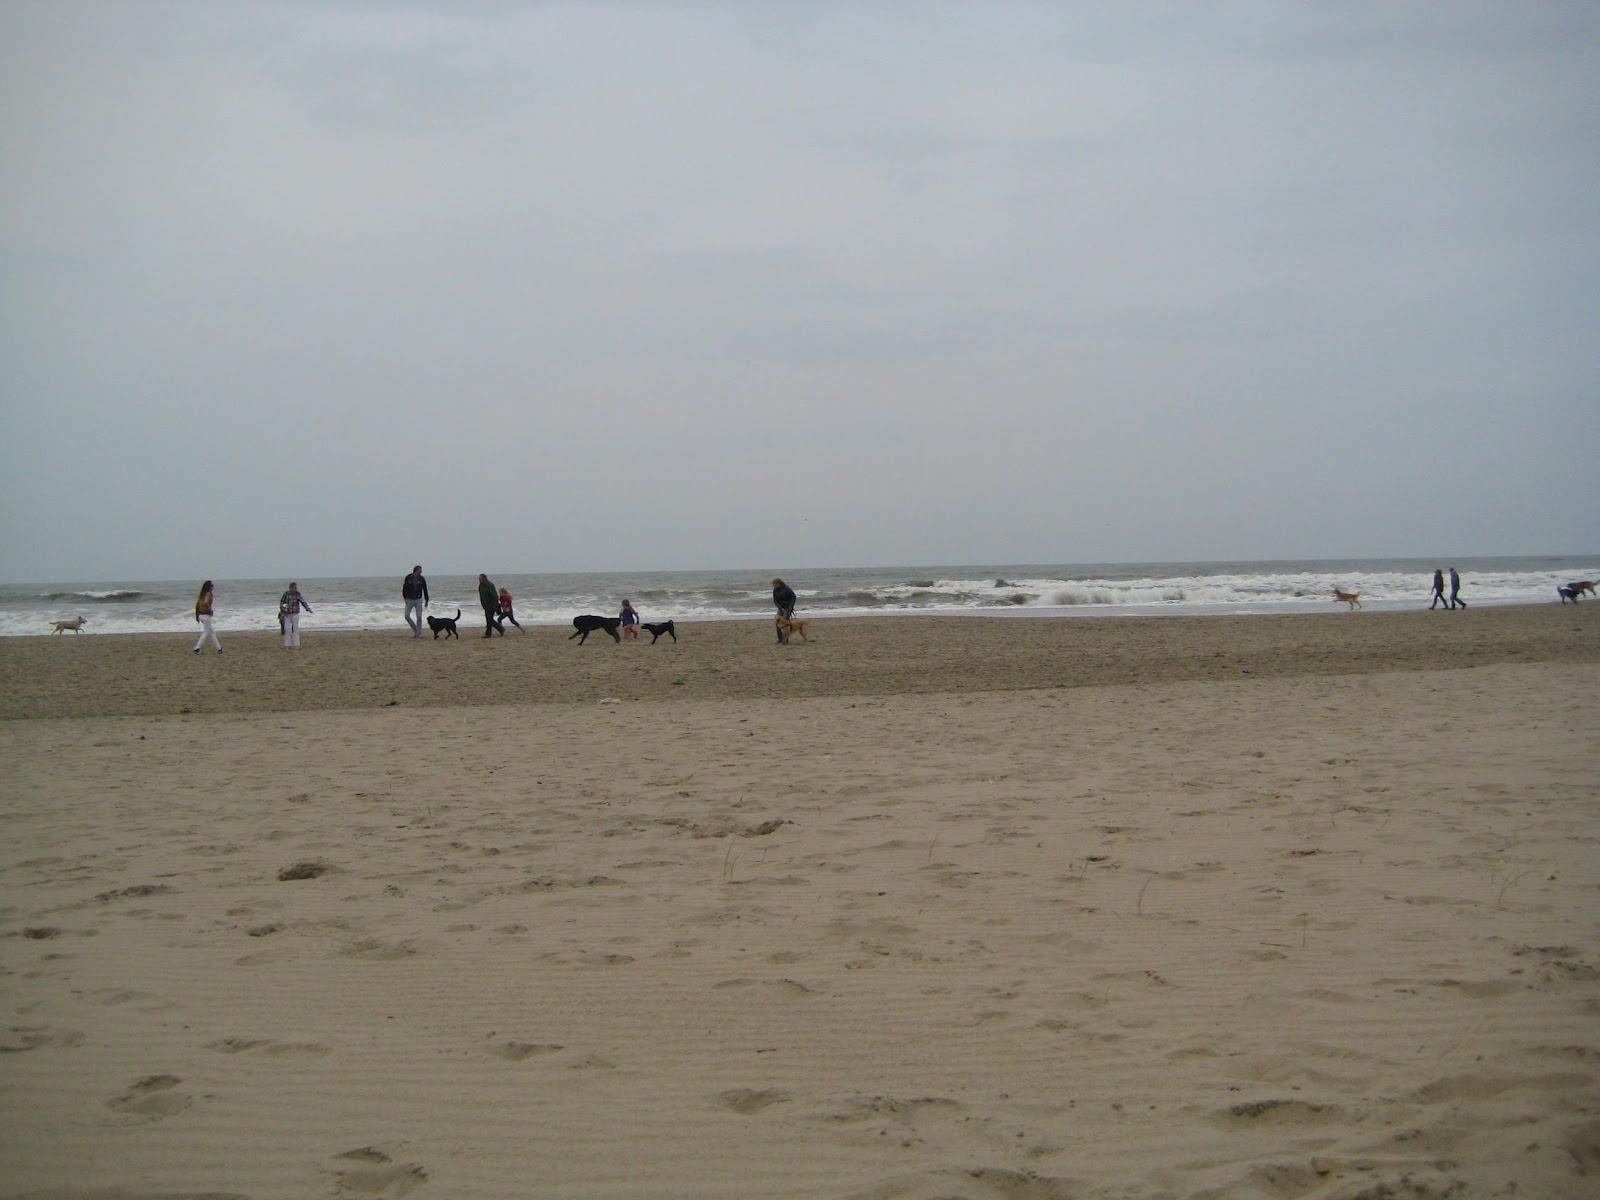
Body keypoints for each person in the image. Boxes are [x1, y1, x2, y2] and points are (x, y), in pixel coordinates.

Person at [279, 582, 312, 648]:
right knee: (287, 629)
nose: (296, 589)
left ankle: (296, 644)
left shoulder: (298, 594)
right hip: (287, 614)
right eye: (295, 588)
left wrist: (307, 608)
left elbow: (303, 601)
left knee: (295, 629)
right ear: (291, 588)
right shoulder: (286, 594)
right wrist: (283, 608)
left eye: (296, 588)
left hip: (295, 613)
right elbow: (282, 602)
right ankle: (287, 644)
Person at [193, 580, 221, 654]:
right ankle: (197, 648)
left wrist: (197, 615)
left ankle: (219, 648)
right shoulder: (208, 594)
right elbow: (206, 603)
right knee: (206, 632)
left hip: (201, 615)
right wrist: (210, 610)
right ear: (209, 587)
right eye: (211, 586)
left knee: (212, 632)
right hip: (206, 615)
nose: (212, 587)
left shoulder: (202, 594)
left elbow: (197, 605)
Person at [402, 565, 430, 637]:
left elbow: (425, 589)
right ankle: (416, 629)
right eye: (419, 571)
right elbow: (404, 588)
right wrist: (405, 597)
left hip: (418, 599)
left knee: (419, 616)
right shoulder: (408, 578)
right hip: (409, 600)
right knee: (407, 616)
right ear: (415, 571)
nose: (420, 572)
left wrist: (427, 600)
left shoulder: (421, 579)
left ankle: (418, 633)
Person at [772, 577, 796, 643]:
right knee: (778, 622)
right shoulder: (775, 590)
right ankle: (780, 639)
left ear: (778, 584)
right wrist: (780, 607)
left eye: (774, 584)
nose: (773, 586)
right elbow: (775, 600)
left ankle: (785, 639)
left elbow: (793, 597)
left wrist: (790, 606)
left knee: (785, 623)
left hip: (787, 607)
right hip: (781, 607)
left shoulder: (787, 589)